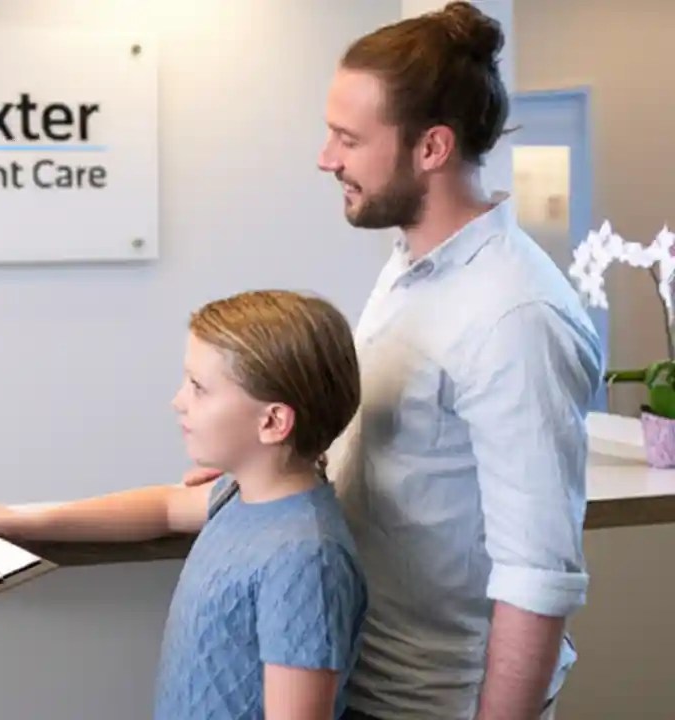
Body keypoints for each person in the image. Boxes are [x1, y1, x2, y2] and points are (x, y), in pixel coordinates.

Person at [180, 4, 602, 719]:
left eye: (348, 138)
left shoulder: (515, 317)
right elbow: (405, 459)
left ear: (431, 147)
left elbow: (537, 579)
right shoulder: (413, 267)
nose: (326, 158)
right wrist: (273, 467)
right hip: (364, 679)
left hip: (433, 705)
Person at [0, 290, 368, 720]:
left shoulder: (304, 559)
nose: (179, 401)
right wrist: (32, 521)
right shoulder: (239, 493)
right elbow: (165, 507)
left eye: (199, 388)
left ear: (272, 422)